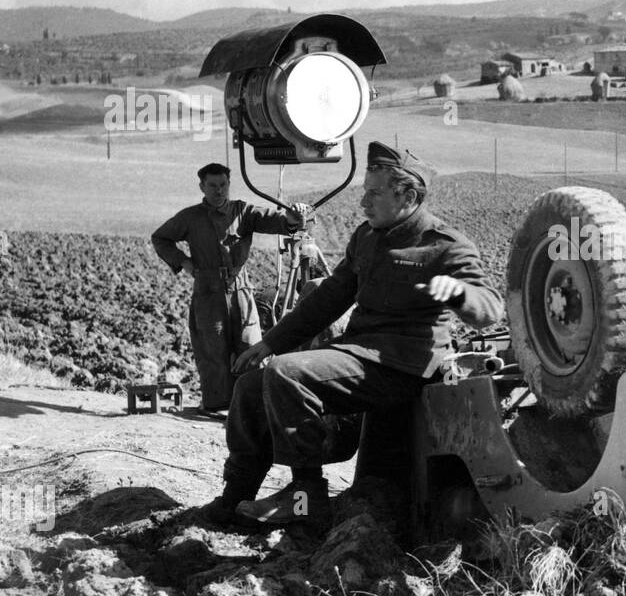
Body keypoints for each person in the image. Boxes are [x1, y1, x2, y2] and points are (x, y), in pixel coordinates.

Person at [200, 142, 504, 535]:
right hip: (358, 357)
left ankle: (306, 499)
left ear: (408, 197)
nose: (363, 202)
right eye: (365, 191)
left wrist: (459, 294)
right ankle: (235, 495)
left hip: (402, 366)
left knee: (287, 375)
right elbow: (329, 298)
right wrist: (269, 342)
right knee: (250, 386)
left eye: (373, 193)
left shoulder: (445, 246)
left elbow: (489, 308)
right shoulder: (367, 236)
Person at [151, 163, 309, 412]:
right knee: (213, 352)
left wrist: (291, 219)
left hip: (240, 291)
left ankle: (254, 408)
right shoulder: (190, 217)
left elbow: (274, 220)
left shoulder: (242, 212)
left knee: (250, 347)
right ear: (202, 186)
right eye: (212, 186)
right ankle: (216, 408)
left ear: (229, 185)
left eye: (223, 185)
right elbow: (160, 238)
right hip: (207, 293)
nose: (218, 191)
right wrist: (184, 262)